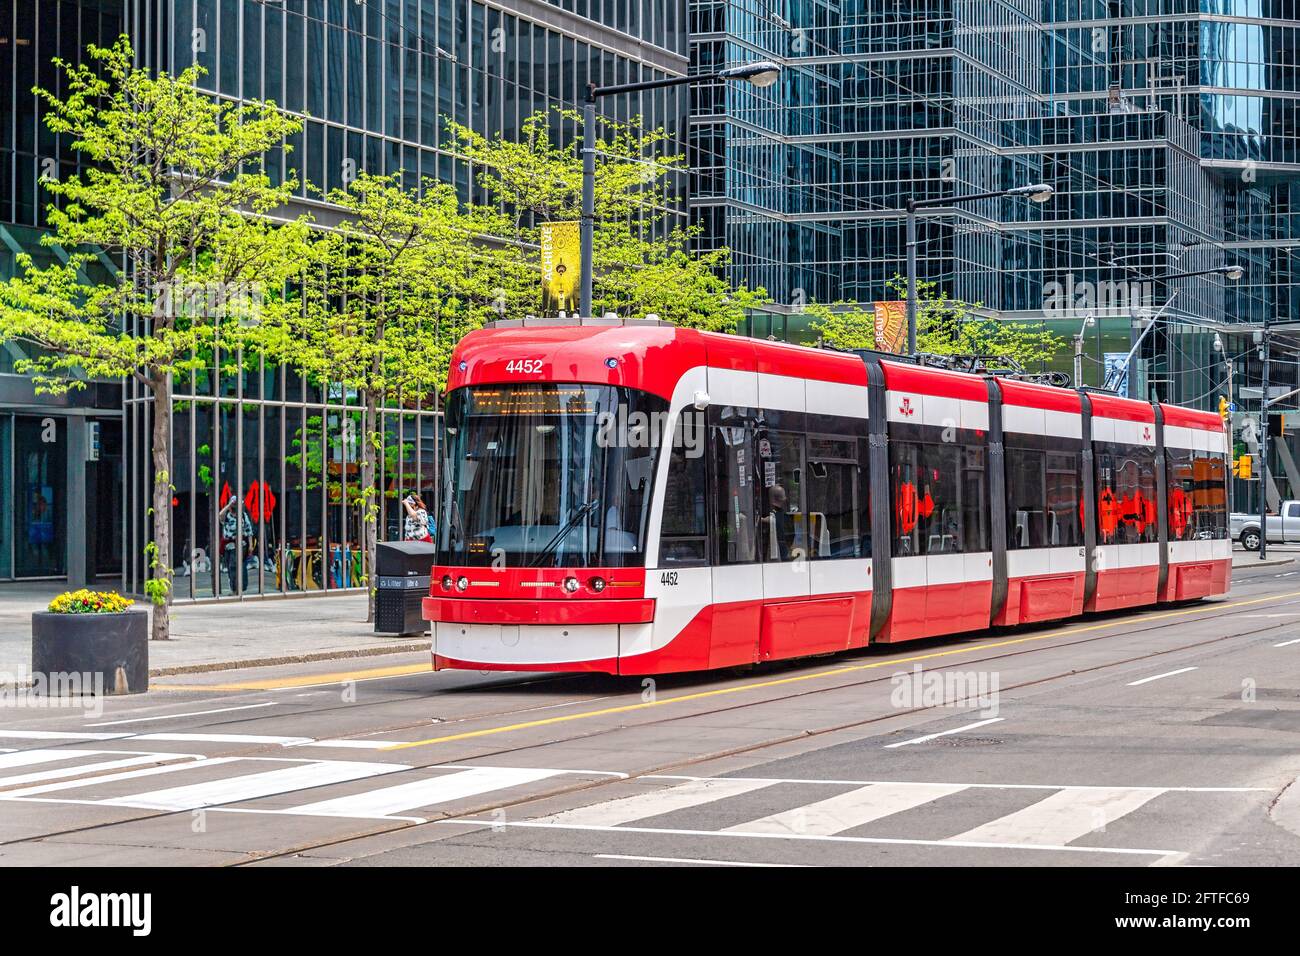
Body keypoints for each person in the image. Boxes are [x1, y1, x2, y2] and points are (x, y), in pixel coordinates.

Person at [218, 495, 254, 593]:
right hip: (228, 546)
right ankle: (234, 587)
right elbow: (220, 515)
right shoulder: (226, 516)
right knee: (230, 567)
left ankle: (239, 588)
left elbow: (249, 530)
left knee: (237, 565)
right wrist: (229, 504)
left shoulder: (243, 515)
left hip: (240, 545)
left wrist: (250, 545)